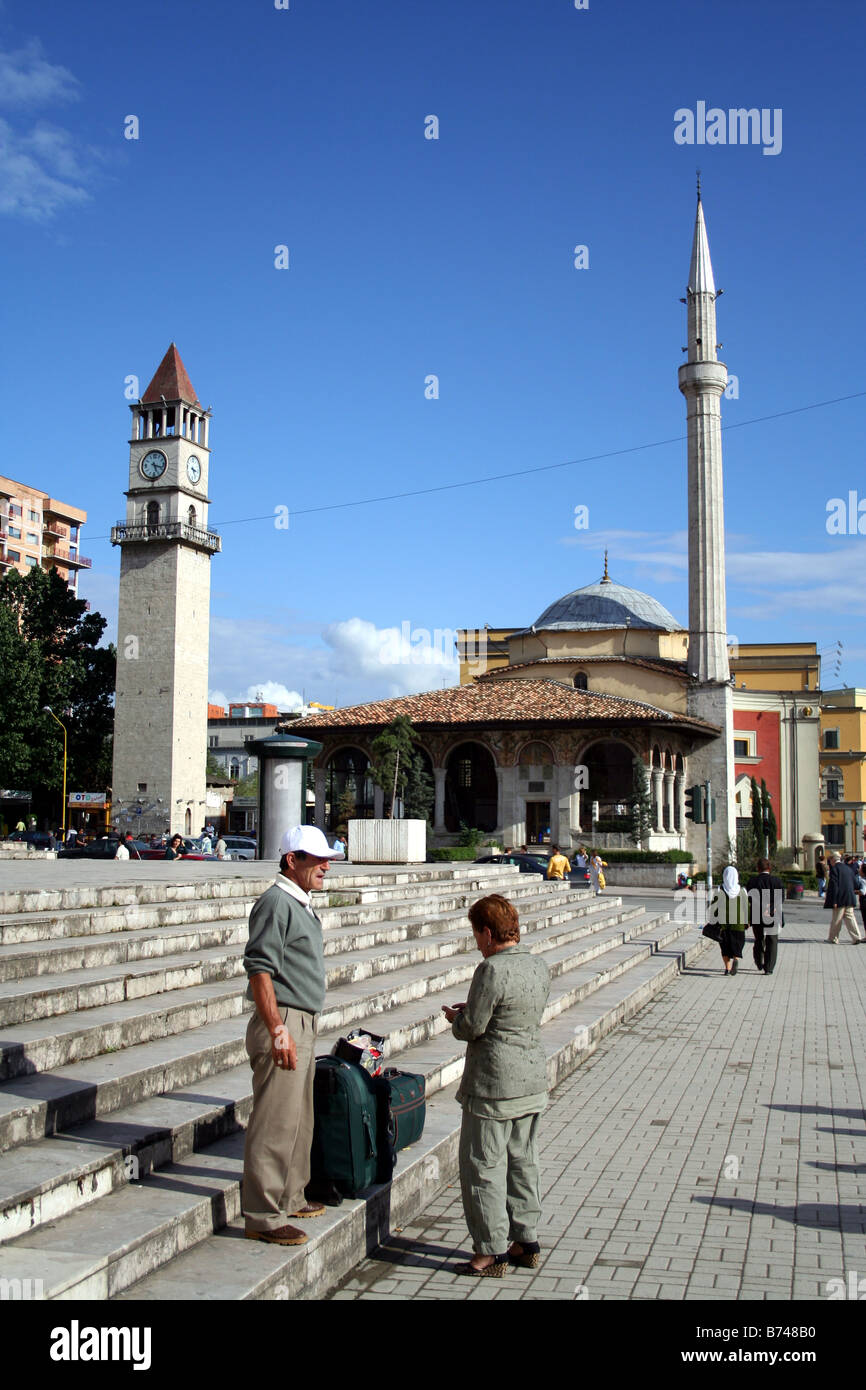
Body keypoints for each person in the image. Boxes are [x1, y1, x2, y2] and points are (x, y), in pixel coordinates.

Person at [242, 825, 345, 1244]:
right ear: (292, 860)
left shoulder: (299, 903)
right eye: (316, 860)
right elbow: (260, 969)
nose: (325, 866)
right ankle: (263, 1215)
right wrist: (277, 1028)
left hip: (302, 1018)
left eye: (327, 860)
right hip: (284, 1019)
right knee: (275, 1120)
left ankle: (292, 1194)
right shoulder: (276, 902)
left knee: (299, 1116)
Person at [442, 894, 551, 1277]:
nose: (476, 943)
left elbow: (474, 1027)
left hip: (494, 1085)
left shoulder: (490, 970)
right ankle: (527, 1239)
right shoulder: (538, 965)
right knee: (523, 1161)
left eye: (476, 934)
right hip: (532, 1080)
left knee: (483, 1165)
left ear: (487, 933)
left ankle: (491, 1252)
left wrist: (457, 1019)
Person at [745, 858, 784, 975]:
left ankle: (758, 960)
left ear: (758, 868)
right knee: (772, 939)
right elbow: (780, 899)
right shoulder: (776, 881)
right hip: (772, 914)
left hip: (757, 914)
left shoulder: (752, 882)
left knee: (758, 939)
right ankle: (769, 967)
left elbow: (749, 898)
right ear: (769, 868)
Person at [713, 865, 747, 975]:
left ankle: (727, 969)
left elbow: (714, 907)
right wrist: (748, 922)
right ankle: (736, 959)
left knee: (725, 947)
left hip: (723, 924)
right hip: (738, 923)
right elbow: (747, 908)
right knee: (737, 944)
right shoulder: (742, 891)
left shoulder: (719, 890)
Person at [824, 852, 864, 944]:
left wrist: (834, 900)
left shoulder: (834, 869)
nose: (830, 862)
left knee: (836, 919)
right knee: (850, 917)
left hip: (839, 898)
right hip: (850, 897)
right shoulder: (848, 869)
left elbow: (834, 886)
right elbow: (856, 883)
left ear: (833, 859)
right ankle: (856, 937)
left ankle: (833, 938)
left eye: (830, 860)